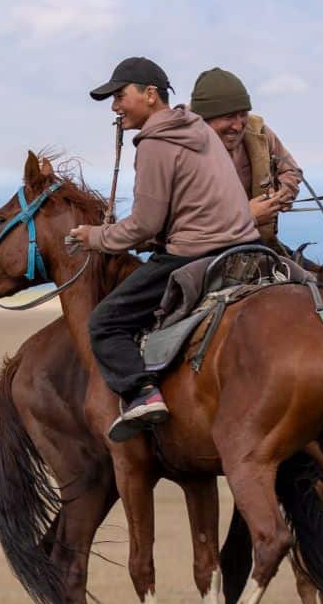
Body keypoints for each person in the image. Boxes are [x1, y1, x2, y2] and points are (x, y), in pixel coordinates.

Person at [67, 57, 261, 442]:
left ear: (150, 95)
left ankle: (142, 393)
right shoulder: (198, 129)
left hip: (197, 255)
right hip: (249, 248)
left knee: (104, 323)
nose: (115, 106)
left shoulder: (156, 144)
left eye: (120, 95)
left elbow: (144, 224)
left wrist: (94, 237)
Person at [189, 67, 303, 250]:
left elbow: (291, 171)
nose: (238, 125)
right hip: (203, 254)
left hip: (260, 245)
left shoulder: (258, 133)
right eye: (228, 117)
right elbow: (180, 222)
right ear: (204, 119)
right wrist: (248, 216)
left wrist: (280, 194)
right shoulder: (180, 150)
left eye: (243, 114)